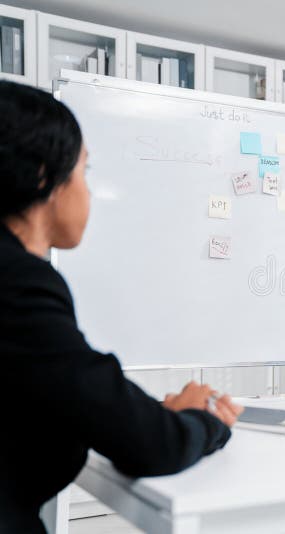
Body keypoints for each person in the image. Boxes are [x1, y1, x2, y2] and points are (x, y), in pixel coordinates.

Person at [0, 81, 243, 533]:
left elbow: (76, 393)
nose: (88, 193)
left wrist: (146, 417)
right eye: (84, 173)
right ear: (42, 176)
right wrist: (203, 418)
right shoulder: (19, 284)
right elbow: (150, 445)